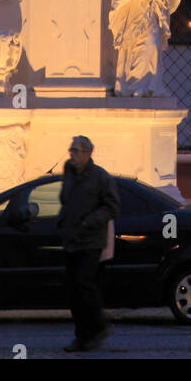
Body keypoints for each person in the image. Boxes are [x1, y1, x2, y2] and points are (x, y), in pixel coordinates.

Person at [58, 136, 120, 352]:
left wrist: (90, 221)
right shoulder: (69, 171)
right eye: (71, 150)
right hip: (71, 239)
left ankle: (98, 327)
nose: (72, 155)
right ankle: (83, 337)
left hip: (91, 240)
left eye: (75, 151)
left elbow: (112, 207)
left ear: (87, 153)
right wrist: (63, 221)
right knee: (73, 291)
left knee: (84, 284)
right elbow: (65, 199)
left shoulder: (100, 177)